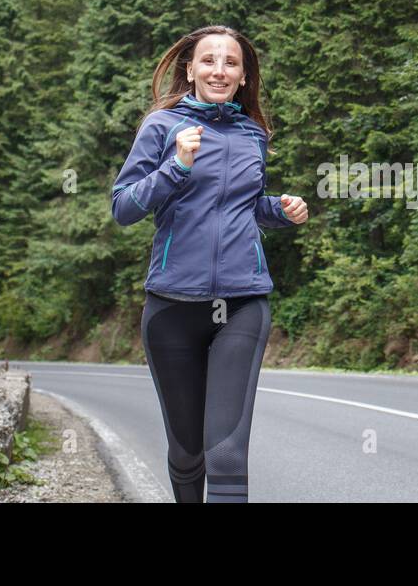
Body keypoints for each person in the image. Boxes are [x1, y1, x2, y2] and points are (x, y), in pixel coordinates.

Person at [110, 25, 308, 502]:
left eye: (231, 62)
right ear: (191, 69)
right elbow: (124, 207)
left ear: (243, 76)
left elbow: (244, 205)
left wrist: (279, 209)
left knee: (225, 456)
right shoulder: (162, 126)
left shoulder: (252, 133)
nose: (219, 70)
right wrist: (175, 167)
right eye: (209, 60)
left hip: (242, 303)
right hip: (172, 308)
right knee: (186, 455)